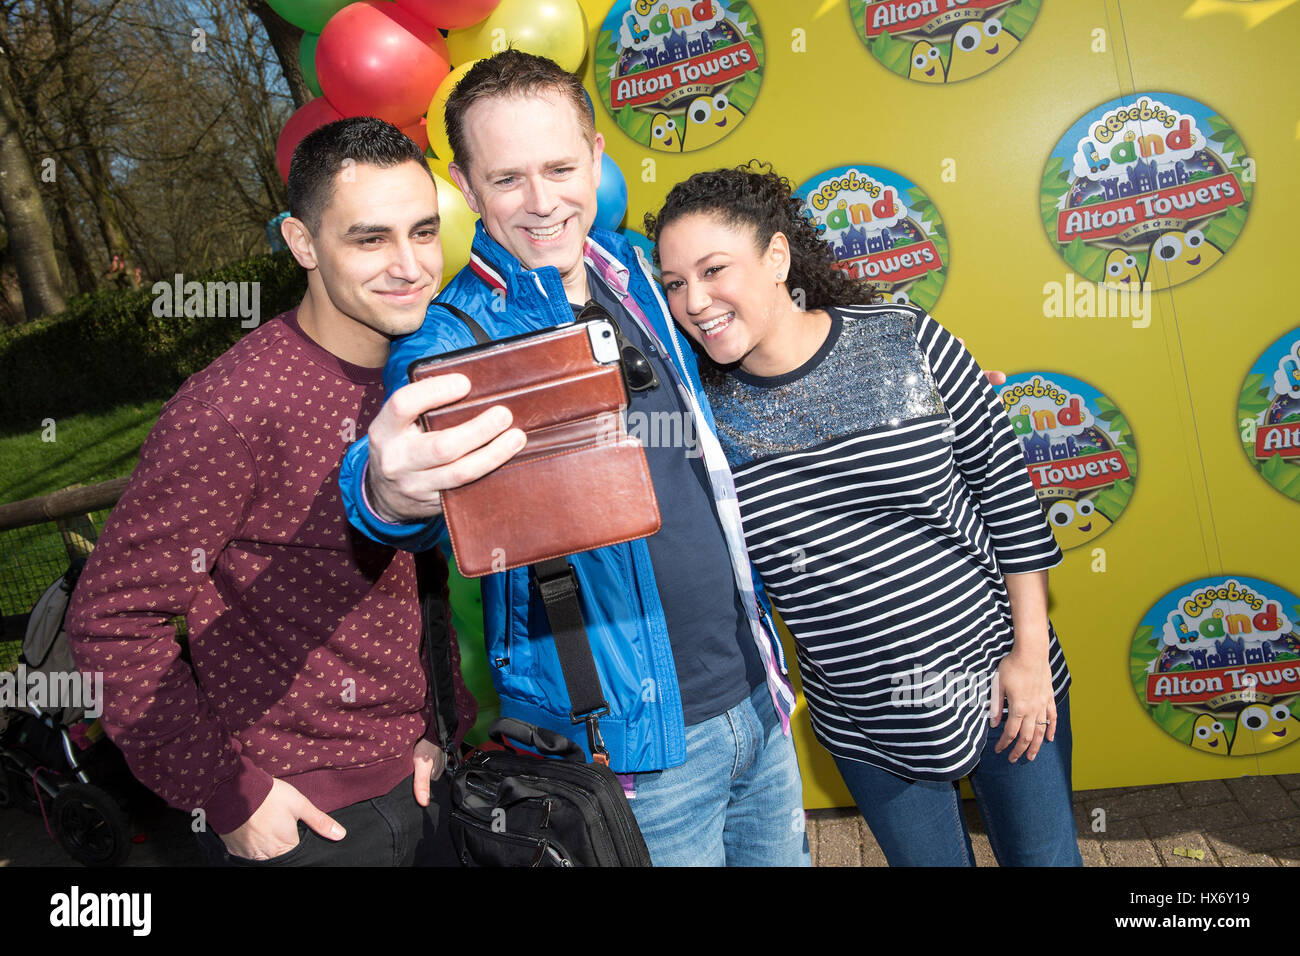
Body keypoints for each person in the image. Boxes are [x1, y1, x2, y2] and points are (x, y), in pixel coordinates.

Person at [338, 50, 808, 866]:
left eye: (560, 166)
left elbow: (761, 344)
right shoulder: (449, 339)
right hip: (632, 755)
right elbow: (390, 490)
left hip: (758, 699)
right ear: (466, 186)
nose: (543, 200)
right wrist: (386, 491)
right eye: (509, 178)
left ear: (596, 157)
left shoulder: (639, 270)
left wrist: (884, 361)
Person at [67, 117, 479, 867]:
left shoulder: (430, 369)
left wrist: (440, 723)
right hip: (307, 824)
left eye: (423, 231)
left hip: (426, 780)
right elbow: (110, 620)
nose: (410, 264)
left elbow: (412, 576)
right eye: (369, 239)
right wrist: (226, 793)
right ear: (301, 244)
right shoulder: (234, 405)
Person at [646, 162, 1083, 867]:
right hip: (866, 724)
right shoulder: (697, 416)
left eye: (713, 269)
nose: (694, 300)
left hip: (1001, 679)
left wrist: (1030, 655)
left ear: (777, 257)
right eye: (673, 283)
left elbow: (1010, 502)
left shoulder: (905, 341)